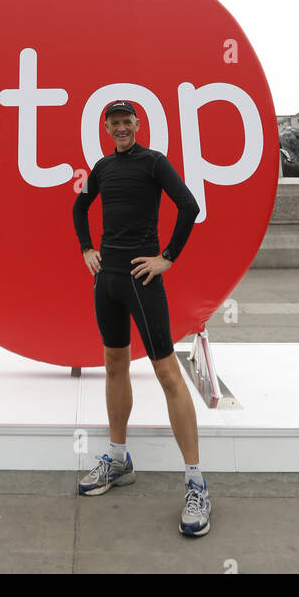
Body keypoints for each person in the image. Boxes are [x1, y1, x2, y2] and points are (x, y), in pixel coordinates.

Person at [71, 100, 208, 536]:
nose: (121, 128)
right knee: (113, 365)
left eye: (127, 121)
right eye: (114, 123)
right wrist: (86, 249)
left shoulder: (154, 162)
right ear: (107, 128)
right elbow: (79, 208)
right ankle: (118, 459)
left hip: (141, 280)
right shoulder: (102, 167)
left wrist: (166, 258)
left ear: (136, 124)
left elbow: (188, 206)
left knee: (167, 373)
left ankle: (196, 483)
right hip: (107, 280)